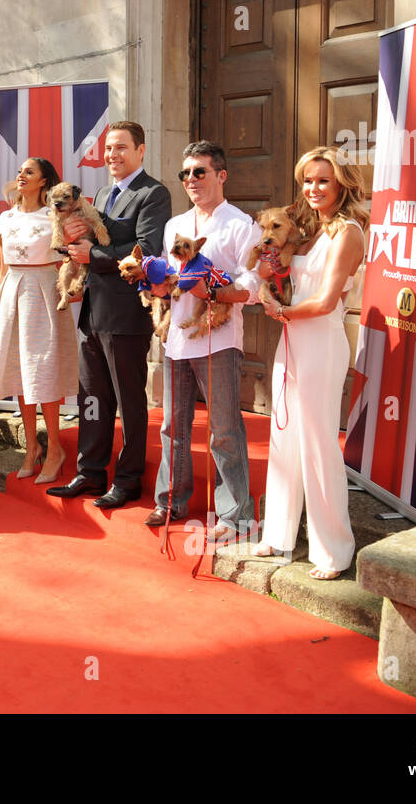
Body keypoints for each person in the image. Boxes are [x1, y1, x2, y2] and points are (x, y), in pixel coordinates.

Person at [252, 146, 367, 579]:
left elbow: (323, 302)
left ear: (341, 184)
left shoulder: (348, 233)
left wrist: (281, 312)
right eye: (308, 180)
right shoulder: (307, 229)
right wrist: (266, 288)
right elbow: (282, 276)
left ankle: (333, 550)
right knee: (283, 435)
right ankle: (278, 535)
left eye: (323, 180)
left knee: (319, 445)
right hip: (291, 339)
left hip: (320, 341)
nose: (314, 188)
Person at [50, 120, 171, 508]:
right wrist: (71, 252)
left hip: (126, 316)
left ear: (140, 150)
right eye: (107, 149)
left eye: (120, 148)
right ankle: (90, 472)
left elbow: (147, 249)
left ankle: (129, 478)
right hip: (92, 313)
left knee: (129, 401)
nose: (112, 155)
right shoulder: (101, 192)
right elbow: (85, 241)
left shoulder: (153, 193)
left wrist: (94, 255)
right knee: (92, 399)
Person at [146, 140, 260, 538]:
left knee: (225, 430)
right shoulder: (174, 225)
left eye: (200, 172)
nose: (191, 180)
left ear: (221, 175)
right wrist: (159, 287)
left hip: (219, 339)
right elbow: (171, 279)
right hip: (176, 339)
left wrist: (210, 292)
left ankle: (236, 516)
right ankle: (170, 501)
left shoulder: (241, 224)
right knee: (172, 427)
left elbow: (253, 286)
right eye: (185, 173)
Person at [0, 157, 78, 483]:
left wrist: (69, 289)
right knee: (21, 370)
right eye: (20, 171)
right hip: (12, 294)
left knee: (43, 370)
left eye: (29, 172)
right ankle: (32, 447)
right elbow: (4, 265)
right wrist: (0, 305)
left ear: (44, 181)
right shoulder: (6, 217)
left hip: (45, 293)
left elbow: (71, 260)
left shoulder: (55, 216)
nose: (21, 175)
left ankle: (55, 450)